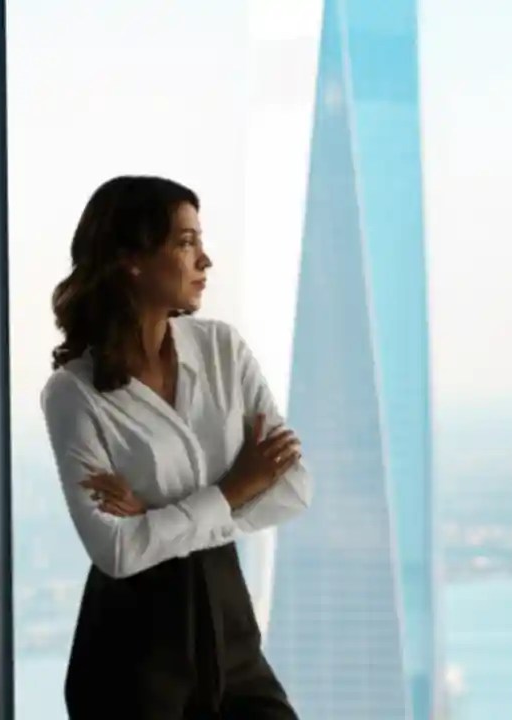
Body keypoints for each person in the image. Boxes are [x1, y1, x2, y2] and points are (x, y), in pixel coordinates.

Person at [40, 175, 312, 719]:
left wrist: (158, 519)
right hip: (131, 648)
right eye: (185, 243)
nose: (205, 260)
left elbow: (292, 488)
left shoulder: (222, 350)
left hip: (226, 616)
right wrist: (233, 488)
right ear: (132, 260)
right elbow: (116, 552)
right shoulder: (73, 394)